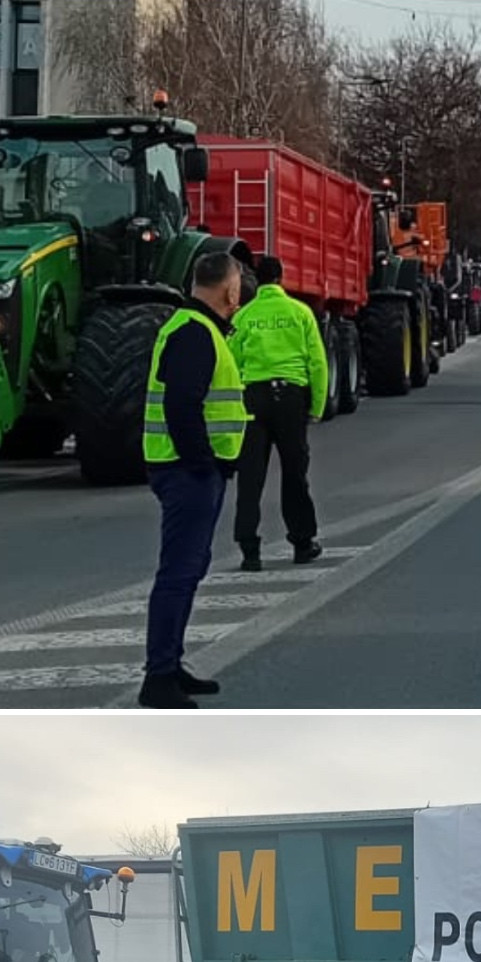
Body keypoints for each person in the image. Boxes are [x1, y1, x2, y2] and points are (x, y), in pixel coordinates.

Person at [137, 251, 246, 710]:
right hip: (186, 471)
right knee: (178, 574)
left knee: (188, 570)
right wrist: (204, 462)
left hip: (185, 468)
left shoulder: (194, 328)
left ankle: (170, 664)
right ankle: (159, 677)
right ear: (230, 289)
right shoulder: (195, 333)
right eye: (238, 284)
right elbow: (181, 404)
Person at [228, 254, 329, 573]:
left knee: (251, 476)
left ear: (256, 279)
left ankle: (249, 549)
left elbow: (232, 362)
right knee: (294, 472)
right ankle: (302, 542)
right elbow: (317, 362)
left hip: (252, 398)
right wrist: (316, 406)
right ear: (282, 278)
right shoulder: (300, 313)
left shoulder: (244, 317)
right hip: (290, 397)